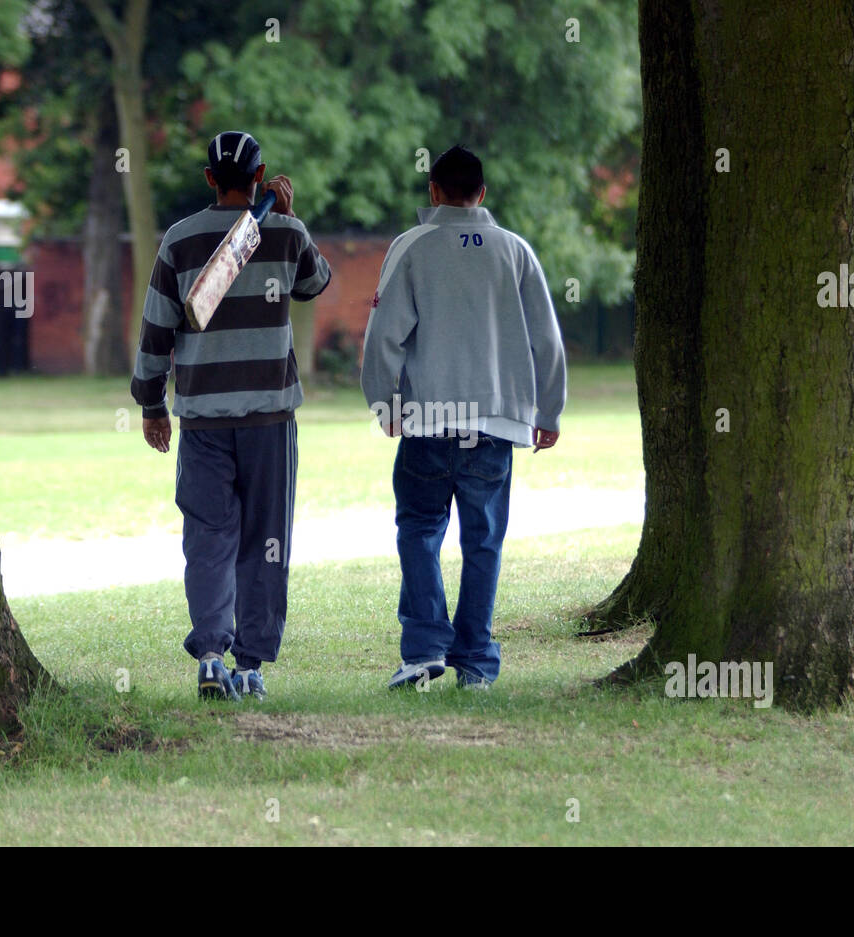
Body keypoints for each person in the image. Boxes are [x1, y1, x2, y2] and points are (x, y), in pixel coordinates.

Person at [132, 131, 331, 701]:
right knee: (266, 540)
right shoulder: (285, 234)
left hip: (202, 420)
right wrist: (290, 217)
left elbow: (155, 330)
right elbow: (317, 284)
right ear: (261, 173)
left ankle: (212, 657)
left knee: (209, 538)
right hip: (270, 419)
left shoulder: (179, 240)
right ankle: (251, 665)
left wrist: (151, 405)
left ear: (209, 177)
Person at [360, 145, 567, 691]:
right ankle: (475, 661)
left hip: (428, 420)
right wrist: (548, 410)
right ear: (483, 192)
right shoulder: (514, 251)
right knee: (483, 540)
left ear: (433, 190)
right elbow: (546, 338)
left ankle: (424, 648)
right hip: (495, 424)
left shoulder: (412, 246)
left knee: (420, 531)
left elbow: (384, 337)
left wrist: (385, 403)